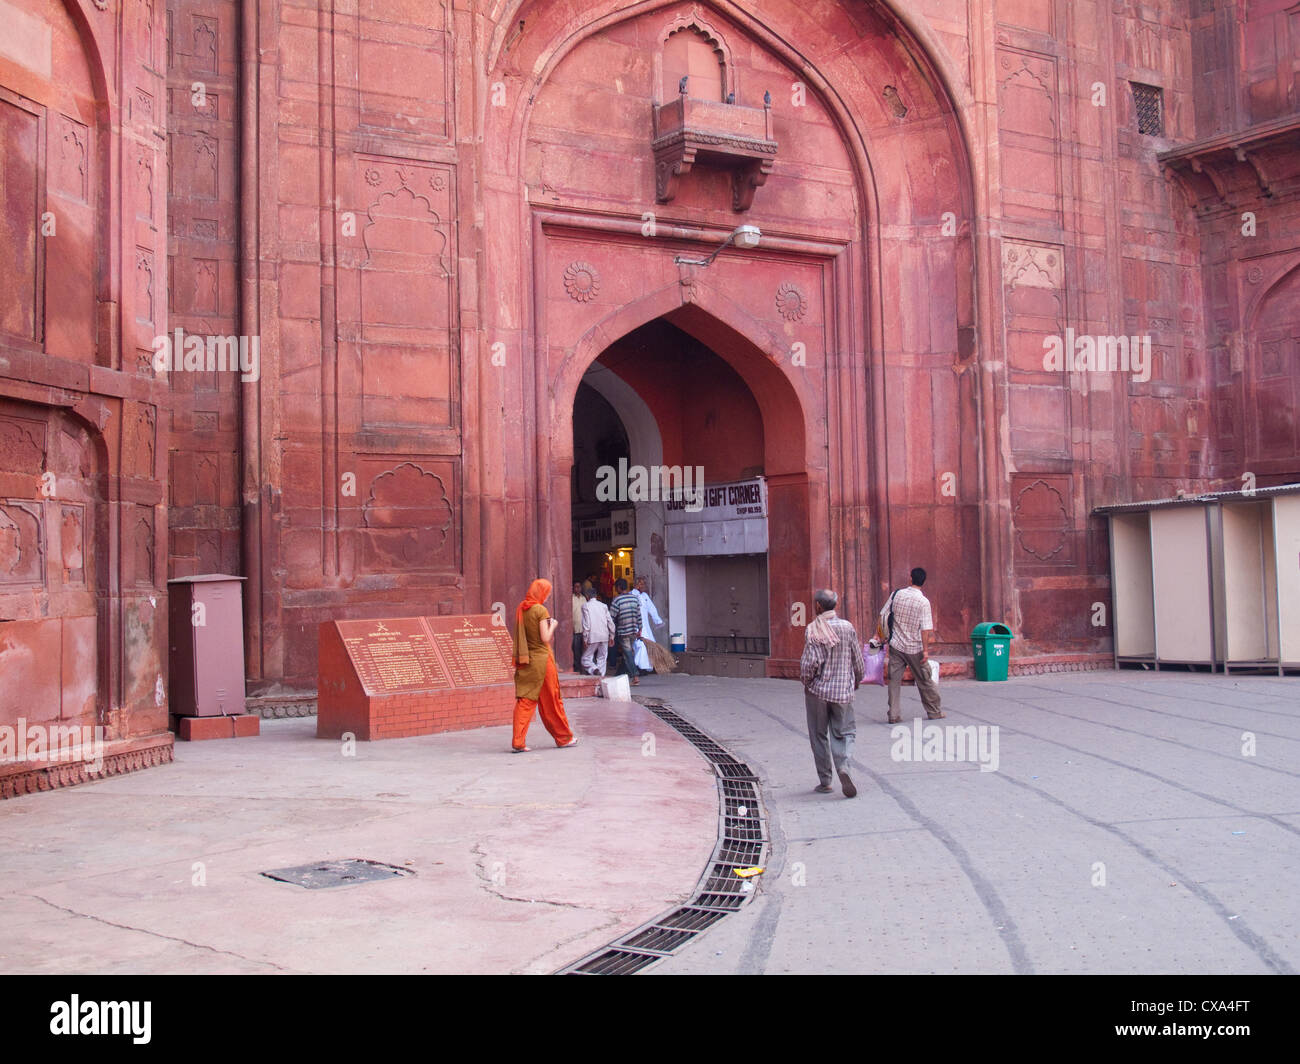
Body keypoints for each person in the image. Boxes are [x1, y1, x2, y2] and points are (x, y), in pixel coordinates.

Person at [800, 588, 865, 797]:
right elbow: (857, 659)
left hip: (817, 692)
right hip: (842, 691)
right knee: (844, 732)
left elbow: (809, 664)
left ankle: (825, 781)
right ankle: (843, 765)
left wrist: (807, 682)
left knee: (818, 735)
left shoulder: (813, 629)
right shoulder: (847, 627)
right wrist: (857, 679)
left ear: (818, 606)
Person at [512, 578, 578, 752]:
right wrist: (553, 624)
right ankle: (564, 737)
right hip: (542, 660)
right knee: (552, 701)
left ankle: (518, 741)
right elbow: (545, 638)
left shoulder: (522, 608)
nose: (547, 596)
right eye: (547, 593)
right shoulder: (540, 610)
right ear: (541, 593)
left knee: (525, 700)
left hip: (527, 660)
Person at [880, 567, 945, 724]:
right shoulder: (923, 602)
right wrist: (926, 651)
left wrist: (883, 636)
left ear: (910, 579)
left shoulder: (896, 595)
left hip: (896, 644)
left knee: (894, 681)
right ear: (923, 582)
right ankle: (934, 711)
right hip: (915, 647)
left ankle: (893, 714)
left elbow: (883, 614)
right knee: (925, 680)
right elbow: (925, 629)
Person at [609, 578, 642, 686]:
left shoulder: (617, 600)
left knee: (628, 654)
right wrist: (640, 629)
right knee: (627, 654)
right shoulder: (635, 598)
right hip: (633, 630)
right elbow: (639, 615)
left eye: (616, 587)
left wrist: (610, 631)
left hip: (623, 631)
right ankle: (621, 675)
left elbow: (611, 617)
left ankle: (635, 675)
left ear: (619, 587)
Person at [632, 576, 663, 674]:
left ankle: (648, 667)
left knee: (650, 644)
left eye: (644, 583)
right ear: (637, 585)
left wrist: (657, 620)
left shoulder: (645, 596)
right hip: (636, 625)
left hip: (645, 625)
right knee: (640, 646)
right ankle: (639, 667)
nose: (644, 586)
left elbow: (652, 608)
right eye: (642, 583)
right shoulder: (631, 595)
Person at [580, 587, 614, 676]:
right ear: (596, 596)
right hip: (604, 636)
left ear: (587, 596)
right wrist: (612, 636)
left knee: (585, 659)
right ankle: (600, 679)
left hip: (593, 636)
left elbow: (586, 624)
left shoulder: (585, 606)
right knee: (602, 659)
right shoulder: (604, 606)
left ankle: (594, 670)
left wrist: (585, 638)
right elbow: (610, 622)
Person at [570, 581, 585, 672]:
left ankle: (584, 669)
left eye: (579, 587)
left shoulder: (584, 599)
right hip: (575, 629)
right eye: (575, 587)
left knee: (584, 651)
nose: (577, 589)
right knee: (576, 651)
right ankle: (577, 668)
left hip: (583, 629)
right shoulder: (571, 598)